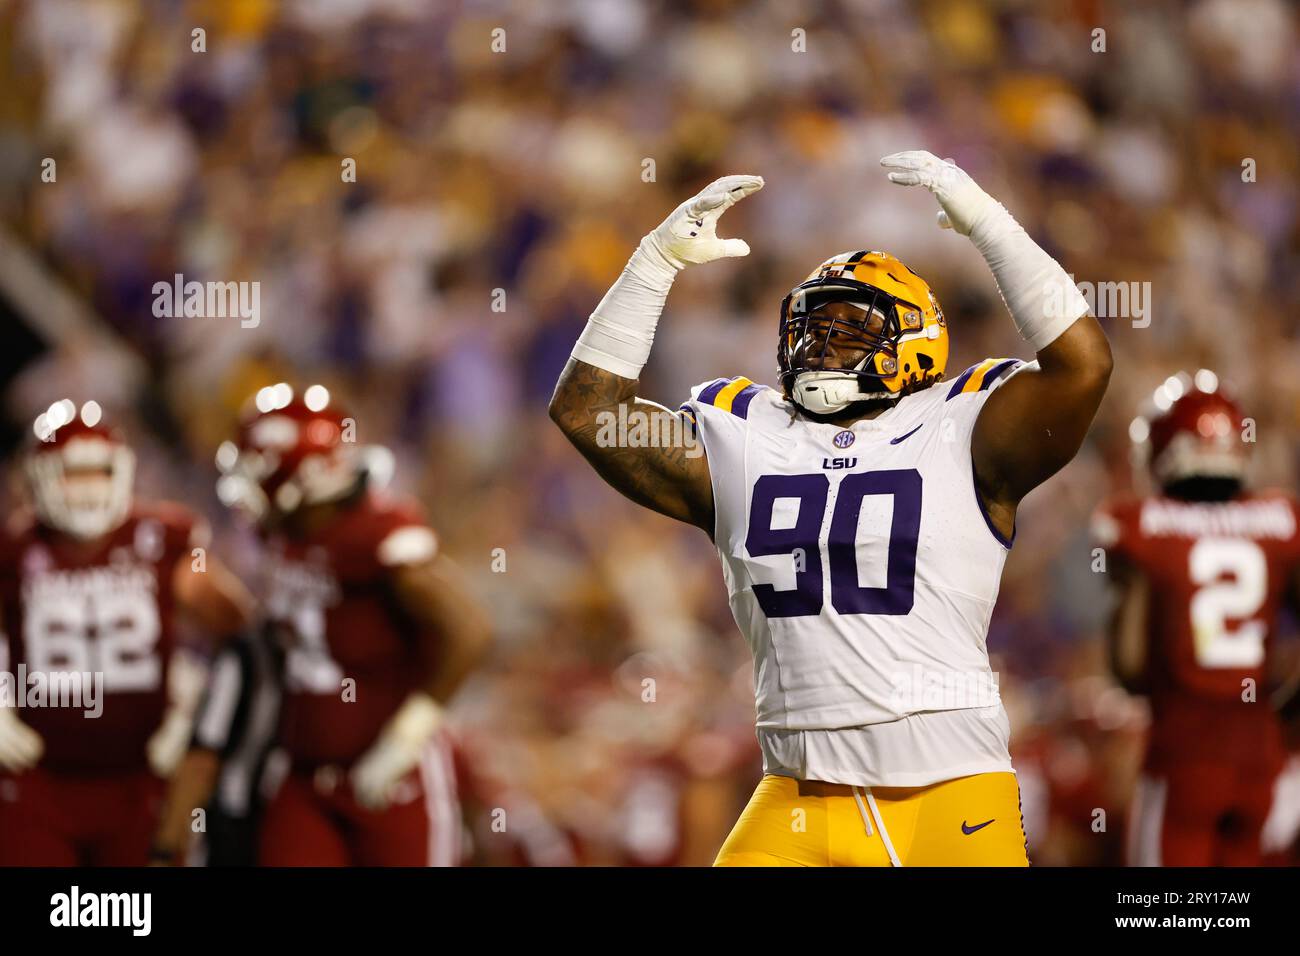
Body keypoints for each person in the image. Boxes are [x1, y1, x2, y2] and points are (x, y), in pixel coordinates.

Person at [548, 151, 1112, 866]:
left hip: (948, 791)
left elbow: (1084, 365)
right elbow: (587, 410)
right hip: (799, 794)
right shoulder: (742, 431)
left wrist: (992, 228)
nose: (822, 342)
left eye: (850, 326)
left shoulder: (962, 426)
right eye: (811, 326)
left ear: (915, 340)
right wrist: (653, 263)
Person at [216, 384, 490, 865]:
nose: (245, 484)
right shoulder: (284, 532)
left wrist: (404, 741)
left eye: (257, 466)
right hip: (303, 775)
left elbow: (469, 631)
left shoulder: (377, 535)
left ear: (306, 470)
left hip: (391, 779)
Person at [0, 400, 252, 865]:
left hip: (141, 775)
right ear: (37, 477)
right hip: (38, 780)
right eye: (70, 474)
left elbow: (244, 637)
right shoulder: (16, 549)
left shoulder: (162, 541)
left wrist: (196, 715)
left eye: (96, 472)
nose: (85, 488)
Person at [1093, 372, 1300, 866]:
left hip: (1183, 750)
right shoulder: (1280, 519)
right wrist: (1279, 709)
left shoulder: (1143, 526)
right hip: (1259, 753)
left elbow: (1128, 667)